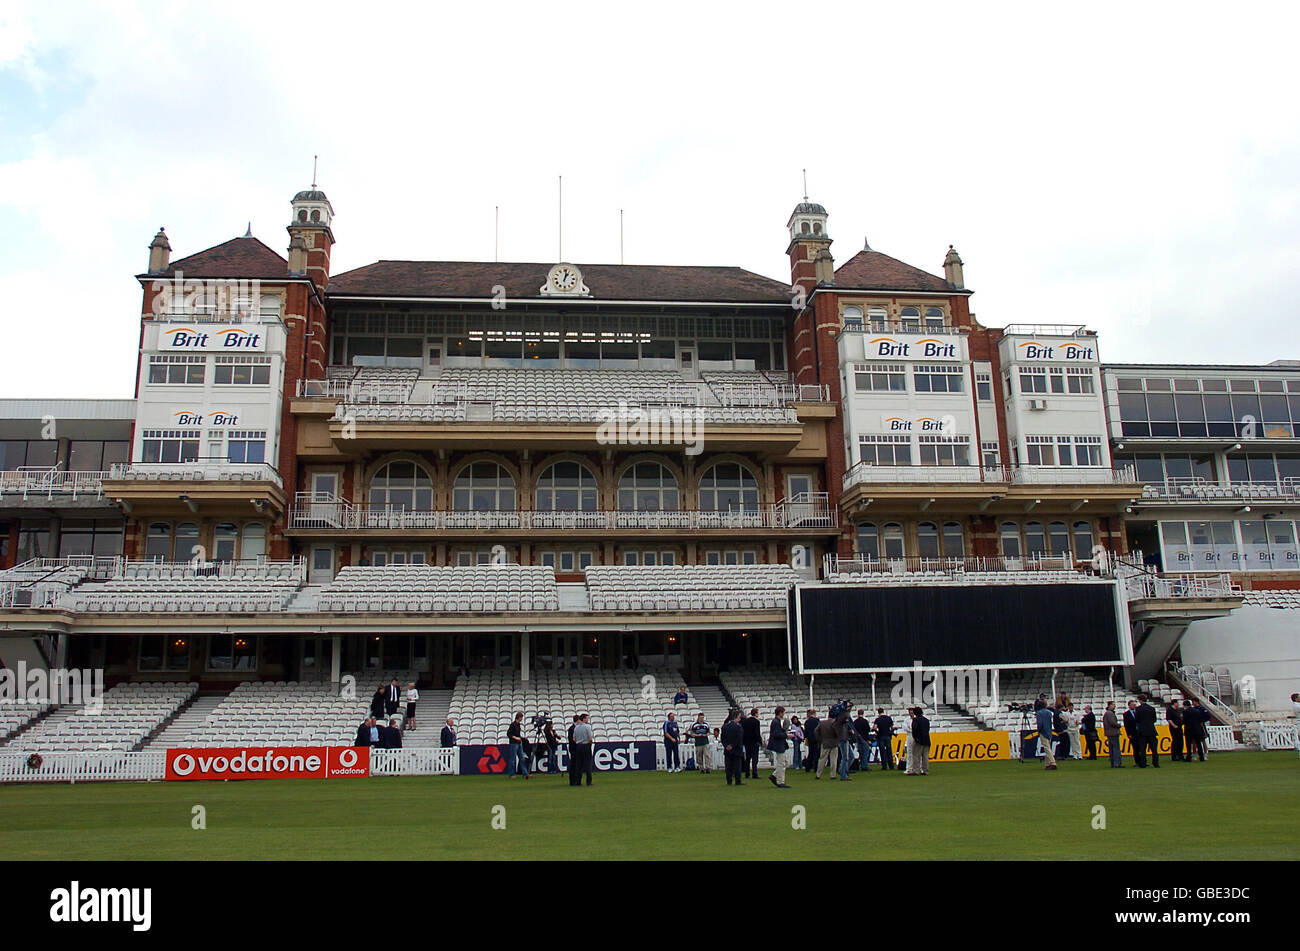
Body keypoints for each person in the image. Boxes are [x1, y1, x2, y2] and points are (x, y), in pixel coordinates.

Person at [767, 706, 791, 787]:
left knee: (783, 762)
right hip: (778, 745)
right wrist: (786, 734)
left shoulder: (776, 721)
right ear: (780, 713)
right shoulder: (776, 722)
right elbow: (776, 734)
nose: (783, 714)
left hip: (779, 744)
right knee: (781, 763)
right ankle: (780, 781)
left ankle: (774, 775)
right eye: (783, 712)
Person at [721, 709, 746, 786]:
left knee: (728, 766)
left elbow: (722, 738)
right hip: (736, 749)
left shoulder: (725, 726)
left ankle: (729, 780)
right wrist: (733, 745)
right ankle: (738, 780)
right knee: (737, 766)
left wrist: (726, 746)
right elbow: (739, 739)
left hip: (727, 749)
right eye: (739, 717)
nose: (740, 719)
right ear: (735, 717)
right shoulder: (738, 727)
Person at [1134, 694, 1160, 767]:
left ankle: (1143, 763)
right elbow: (1154, 719)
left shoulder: (1138, 709)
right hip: (1151, 730)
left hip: (1142, 731)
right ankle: (1156, 763)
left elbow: (1137, 719)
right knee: (1154, 749)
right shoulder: (1151, 708)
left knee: (1142, 749)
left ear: (1140, 700)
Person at [570, 713, 594, 786]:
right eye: (587, 718)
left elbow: (574, 739)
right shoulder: (587, 727)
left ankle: (578, 781)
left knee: (578, 765)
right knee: (587, 764)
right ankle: (588, 782)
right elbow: (590, 738)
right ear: (584, 719)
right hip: (586, 746)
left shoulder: (576, 727)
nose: (588, 720)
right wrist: (589, 743)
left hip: (578, 746)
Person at [905, 707, 931, 775]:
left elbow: (915, 730)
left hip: (919, 740)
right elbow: (927, 730)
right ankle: (925, 770)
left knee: (916, 756)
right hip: (927, 740)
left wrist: (916, 739)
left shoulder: (915, 720)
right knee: (925, 756)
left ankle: (916, 770)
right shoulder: (926, 720)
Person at [833, 702, 854, 781]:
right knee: (846, 757)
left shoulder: (840, 718)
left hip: (844, 738)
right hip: (843, 739)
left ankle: (842, 770)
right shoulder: (843, 716)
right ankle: (843, 774)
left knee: (850, 757)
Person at [506, 712, 530, 779]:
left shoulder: (518, 725)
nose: (522, 719)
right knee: (512, 759)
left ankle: (525, 773)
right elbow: (508, 734)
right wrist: (516, 738)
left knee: (522, 759)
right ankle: (511, 774)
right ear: (519, 717)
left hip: (519, 743)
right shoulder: (512, 725)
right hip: (513, 743)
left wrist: (521, 738)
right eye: (521, 717)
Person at [814, 715, 838, 779]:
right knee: (833, 760)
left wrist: (819, 739)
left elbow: (816, 731)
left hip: (825, 743)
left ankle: (818, 774)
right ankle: (833, 775)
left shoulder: (822, 723)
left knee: (822, 759)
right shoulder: (835, 723)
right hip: (834, 743)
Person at [1036, 699, 1057, 770]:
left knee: (1046, 748)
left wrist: (1039, 730)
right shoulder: (1049, 712)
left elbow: (1040, 723)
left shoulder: (1039, 713)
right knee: (1048, 747)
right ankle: (1047, 764)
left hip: (1043, 731)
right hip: (1049, 730)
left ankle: (1053, 762)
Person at [742, 707, 762, 779]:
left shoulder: (746, 721)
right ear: (756, 714)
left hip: (747, 742)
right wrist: (759, 741)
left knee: (748, 758)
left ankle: (747, 773)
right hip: (754, 742)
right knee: (754, 759)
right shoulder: (756, 722)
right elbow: (757, 733)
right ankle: (754, 773)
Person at [1102, 701, 1123, 767]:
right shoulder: (1109, 713)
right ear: (1110, 705)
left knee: (1112, 749)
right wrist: (1118, 725)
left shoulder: (1107, 713)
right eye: (1113, 705)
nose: (1115, 706)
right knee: (1116, 749)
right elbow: (1113, 723)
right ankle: (1117, 763)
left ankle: (1113, 763)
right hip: (1113, 733)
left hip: (1109, 733)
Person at [1123, 700, 1142, 767]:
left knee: (1141, 747)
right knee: (1135, 748)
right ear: (1129, 705)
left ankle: (1142, 761)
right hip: (1133, 733)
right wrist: (1128, 734)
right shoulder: (1126, 714)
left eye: (1134, 704)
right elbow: (1126, 725)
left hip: (1140, 732)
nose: (1134, 706)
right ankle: (1137, 762)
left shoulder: (1138, 712)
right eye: (1132, 705)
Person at [803, 709, 821, 773]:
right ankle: (815, 767)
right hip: (816, 739)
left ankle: (808, 767)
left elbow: (806, 731)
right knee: (816, 753)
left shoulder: (807, 722)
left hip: (810, 739)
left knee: (810, 753)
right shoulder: (817, 721)